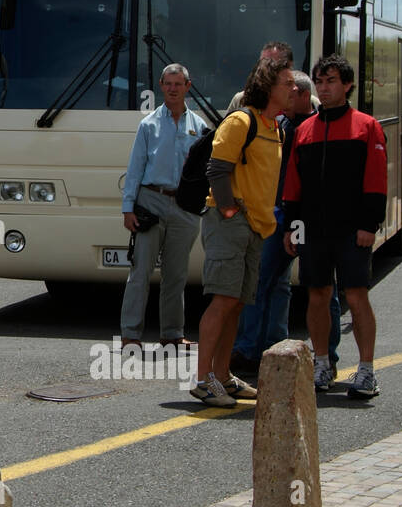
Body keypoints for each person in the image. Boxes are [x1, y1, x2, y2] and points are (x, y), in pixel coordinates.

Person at [191, 56, 293, 407]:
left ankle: (222, 376)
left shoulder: (274, 127)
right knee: (222, 300)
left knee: (236, 304)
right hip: (231, 223)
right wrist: (232, 210)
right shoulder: (240, 121)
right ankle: (203, 380)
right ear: (268, 87)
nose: (293, 88)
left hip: (256, 227)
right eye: (287, 82)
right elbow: (217, 169)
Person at [282, 55, 387, 398]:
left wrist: (369, 223)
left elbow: (376, 179)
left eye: (331, 81)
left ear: (347, 85)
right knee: (317, 295)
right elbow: (292, 184)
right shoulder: (303, 130)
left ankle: (367, 370)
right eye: (320, 82)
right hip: (313, 229)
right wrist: (292, 227)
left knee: (356, 296)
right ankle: (323, 362)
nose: (324, 88)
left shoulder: (366, 126)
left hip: (352, 229)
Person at [230, 71, 322, 371]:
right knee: (262, 281)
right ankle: (251, 349)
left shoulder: (318, 127)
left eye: (290, 92)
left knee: (317, 287)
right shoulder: (278, 125)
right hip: (276, 214)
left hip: (307, 216)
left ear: (304, 96)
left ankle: (319, 356)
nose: (284, 98)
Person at [118, 63, 207, 347]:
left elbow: (205, 170)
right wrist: (128, 207)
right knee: (140, 272)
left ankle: (172, 334)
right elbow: (135, 168)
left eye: (178, 84)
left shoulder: (200, 126)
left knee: (176, 275)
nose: (172, 88)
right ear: (161, 85)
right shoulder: (149, 125)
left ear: (187, 87)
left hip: (184, 205)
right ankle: (130, 334)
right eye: (168, 83)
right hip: (151, 201)